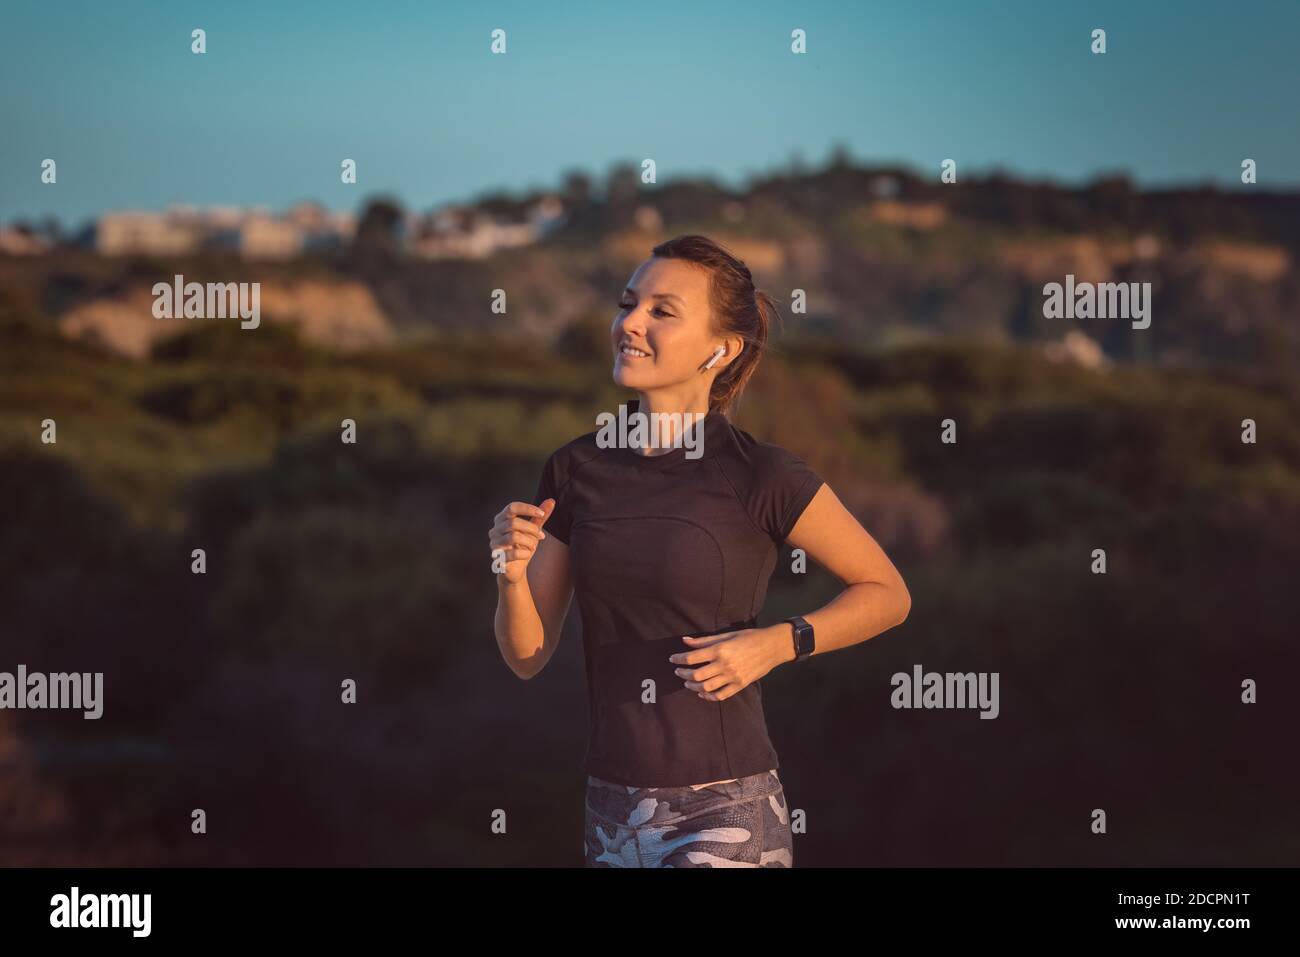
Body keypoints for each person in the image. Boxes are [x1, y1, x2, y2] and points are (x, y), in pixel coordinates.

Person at [490, 234, 911, 867]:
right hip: (611, 811)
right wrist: (510, 577)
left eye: (662, 310)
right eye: (628, 303)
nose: (630, 323)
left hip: (725, 808)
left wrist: (778, 643)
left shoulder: (760, 475)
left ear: (722, 348)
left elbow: (888, 594)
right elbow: (526, 657)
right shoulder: (574, 469)